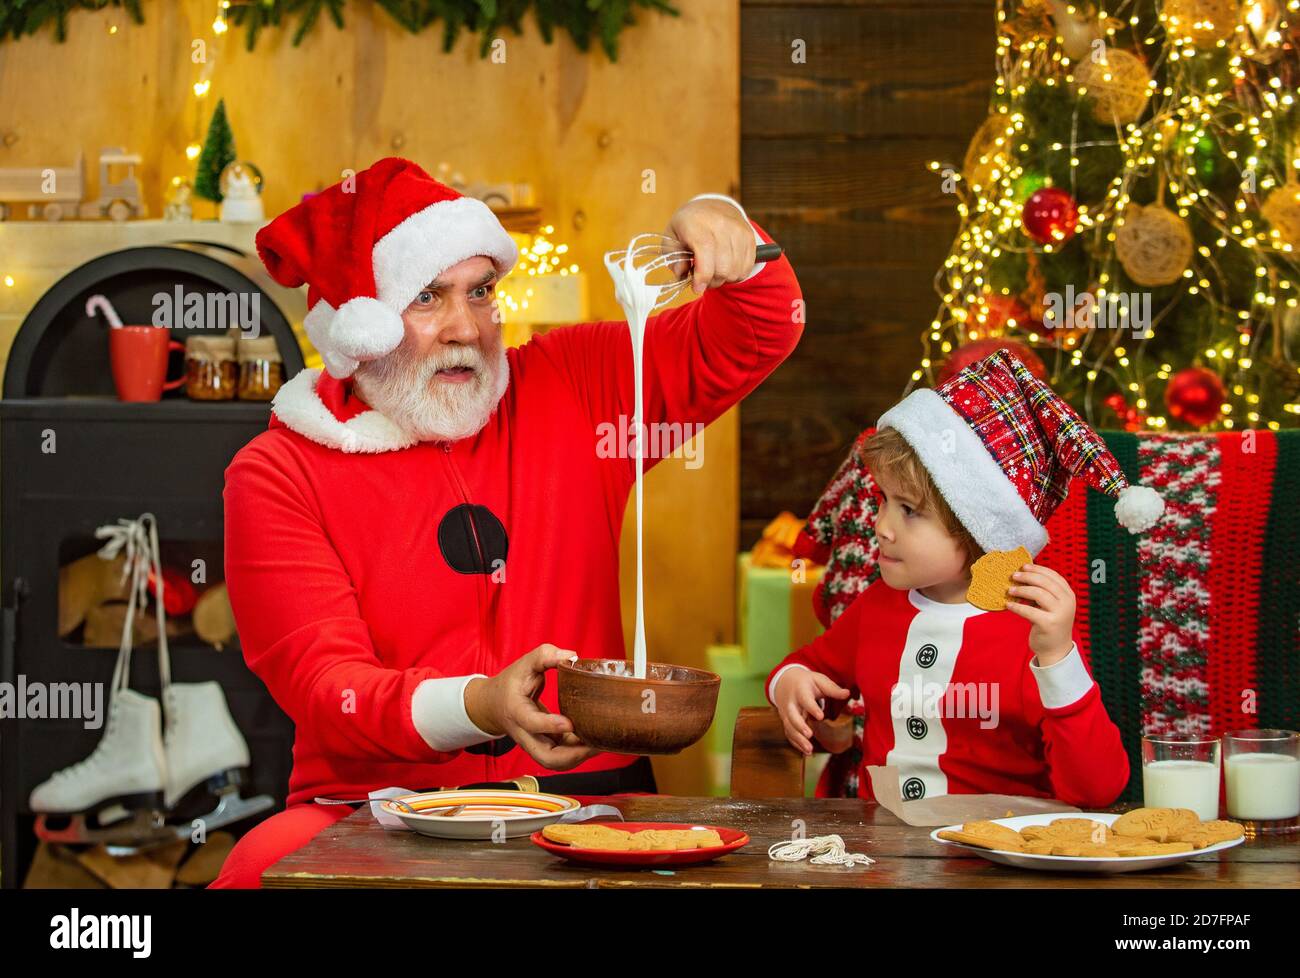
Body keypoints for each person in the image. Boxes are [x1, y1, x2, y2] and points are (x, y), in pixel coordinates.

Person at [210, 157, 803, 887]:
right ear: (359, 327)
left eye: (481, 292)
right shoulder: (278, 472)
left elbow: (757, 330)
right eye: (427, 297)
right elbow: (330, 687)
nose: (466, 327)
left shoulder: (572, 386)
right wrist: (481, 704)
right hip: (374, 808)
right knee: (259, 868)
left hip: (587, 802)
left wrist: (723, 225)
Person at [767, 348, 1166, 808]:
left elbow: (1097, 789)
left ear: (978, 530)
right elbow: (811, 667)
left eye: (909, 511)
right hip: (886, 857)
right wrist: (792, 682)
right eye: (884, 500)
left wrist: (1058, 658)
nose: (880, 525)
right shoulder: (876, 607)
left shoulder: (1031, 632)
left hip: (997, 862)